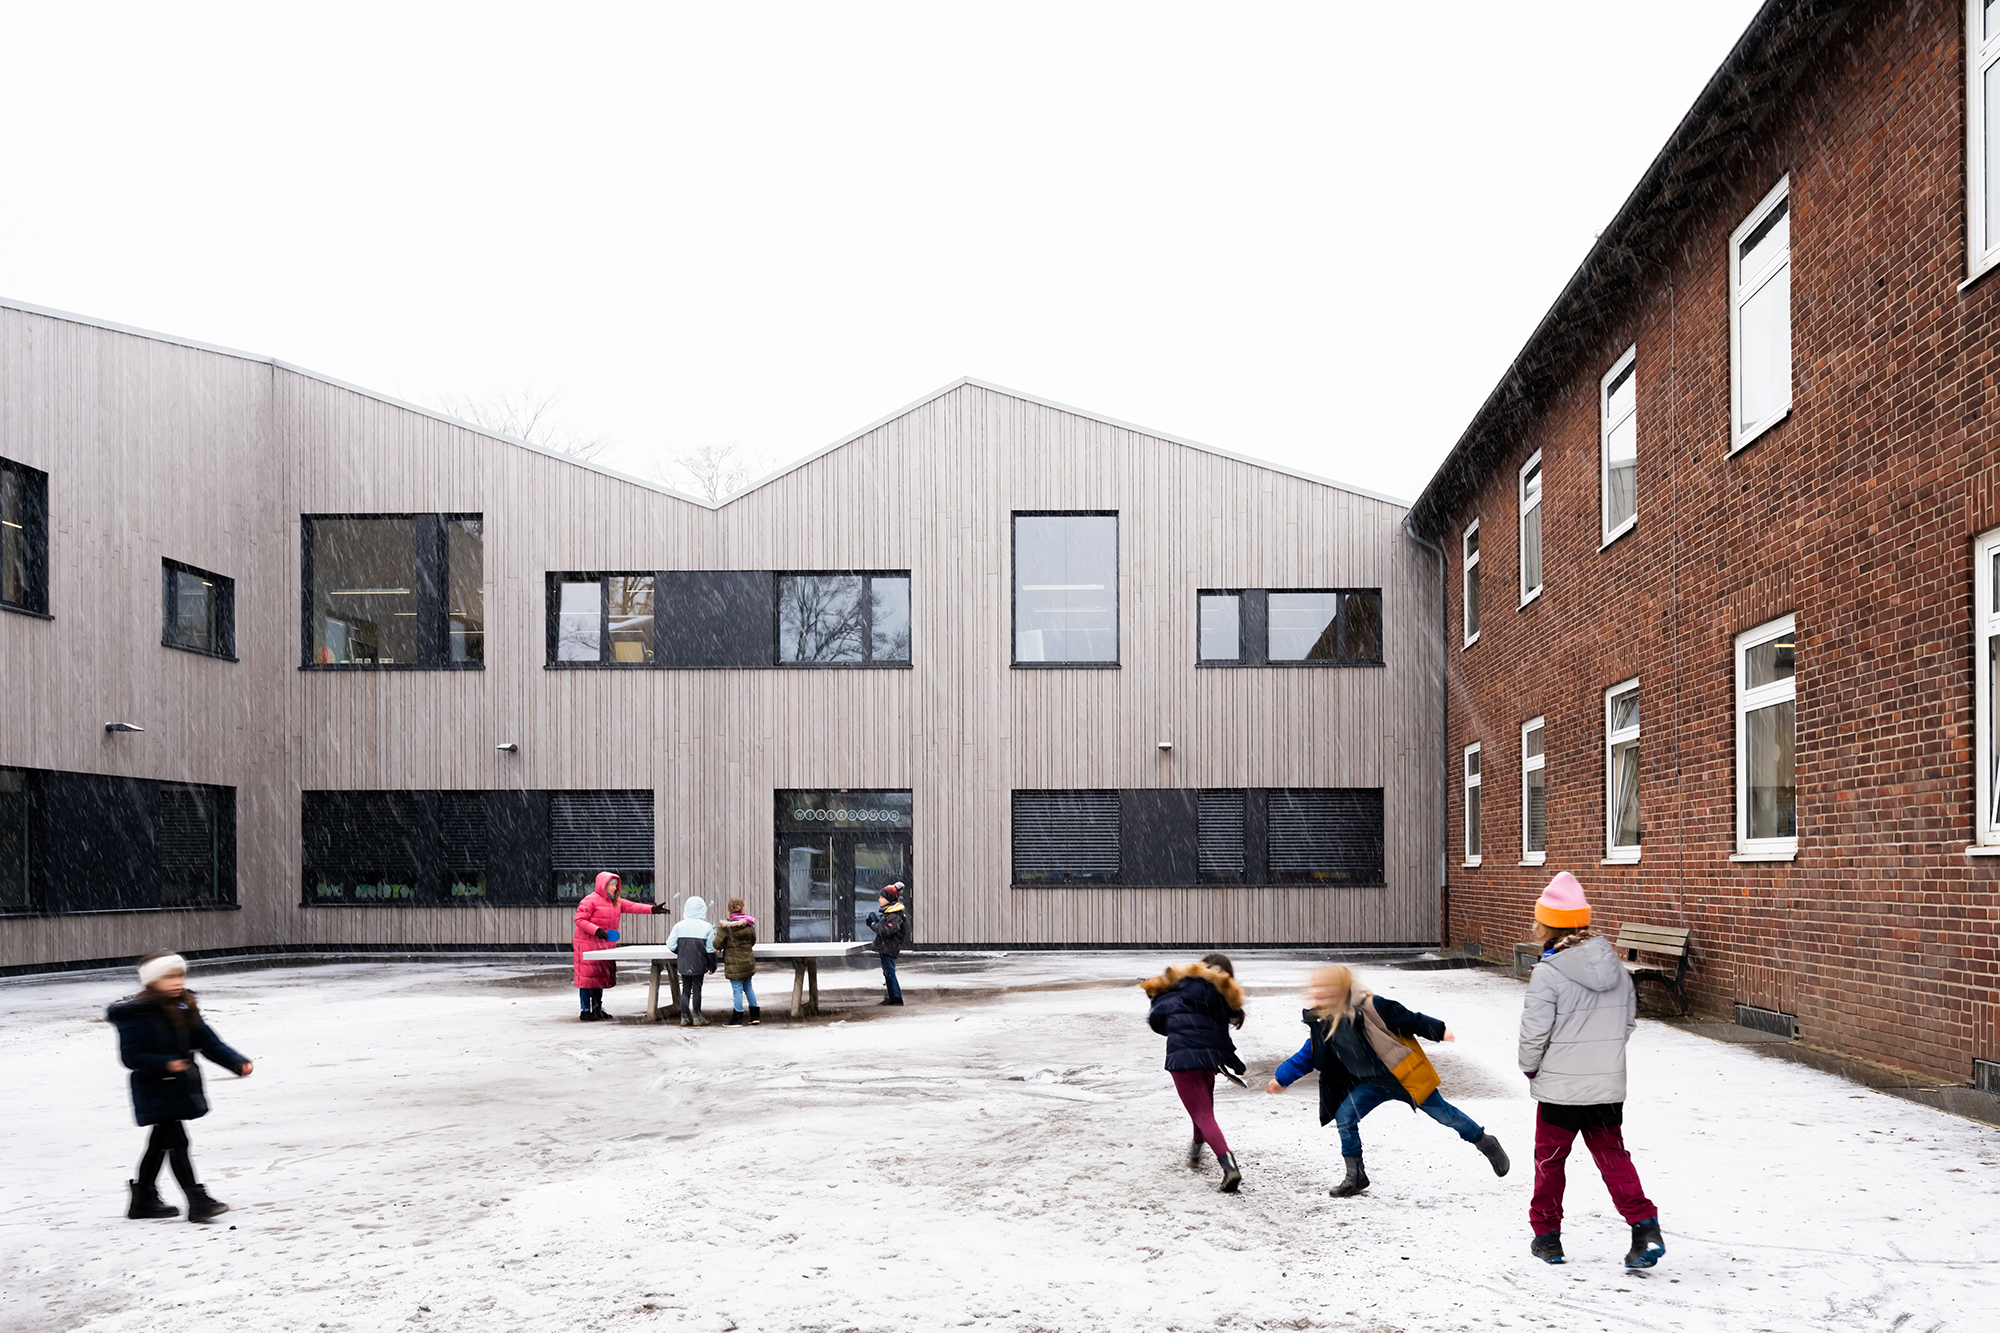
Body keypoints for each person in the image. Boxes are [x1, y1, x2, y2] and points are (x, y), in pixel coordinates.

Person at [1518, 872, 1664, 1269]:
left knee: (1550, 1161)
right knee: (1613, 1156)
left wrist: (1531, 1070)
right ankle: (1644, 1228)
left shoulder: (1548, 973)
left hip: (1560, 1090)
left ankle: (1548, 1238)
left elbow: (1534, 1035)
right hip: (1605, 1087)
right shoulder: (1616, 967)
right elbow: (1628, 1023)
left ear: (1546, 924)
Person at [1267, 964, 1509, 1197]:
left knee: (1446, 1115)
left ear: (1341, 988)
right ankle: (1356, 1175)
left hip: (1404, 1077)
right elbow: (1308, 1055)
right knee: (1345, 1117)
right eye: (1316, 987)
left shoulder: (1371, 1006)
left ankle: (1485, 1142)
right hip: (1372, 1083)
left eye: (1326, 987)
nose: (1319, 992)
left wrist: (1439, 1030)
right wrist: (1282, 1079)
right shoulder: (1322, 1024)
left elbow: (1409, 1019)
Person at [106, 952, 253, 1223]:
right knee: (177, 1142)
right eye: (169, 976)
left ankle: (143, 1200)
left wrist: (236, 1062)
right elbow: (132, 1057)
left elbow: (209, 1043)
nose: (177, 981)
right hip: (155, 1087)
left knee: (161, 1142)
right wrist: (167, 1064)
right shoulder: (136, 1013)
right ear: (152, 981)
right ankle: (197, 1201)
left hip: (181, 1085)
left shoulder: (183, 1007)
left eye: (180, 975)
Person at [1142, 952, 1248, 1193]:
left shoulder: (1178, 989)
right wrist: (1231, 1060)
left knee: (1202, 1113)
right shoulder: (1221, 997)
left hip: (1183, 1061)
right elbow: (1222, 1036)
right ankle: (1196, 1151)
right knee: (1203, 1109)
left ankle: (1229, 1166)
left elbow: (1157, 1021)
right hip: (1208, 1061)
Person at [572, 872, 657, 1022]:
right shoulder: (589, 901)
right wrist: (596, 930)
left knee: (598, 977)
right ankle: (585, 1010)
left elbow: (632, 906)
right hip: (586, 944)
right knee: (587, 978)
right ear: (603, 885)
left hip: (603, 945)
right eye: (611, 885)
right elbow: (579, 919)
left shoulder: (615, 901)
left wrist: (652, 909)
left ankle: (597, 1008)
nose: (615, 887)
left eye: (615, 885)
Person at [666, 895, 719, 1026]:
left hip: (684, 961)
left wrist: (682, 952)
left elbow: (670, 944)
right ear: (703, 910)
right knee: (697, 989)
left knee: (685, 989)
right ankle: (696, 1015)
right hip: (699, 962)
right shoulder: (707, 927)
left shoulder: (679, 926)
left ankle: (684, 1016)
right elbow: (710, 949)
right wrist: (712, 966)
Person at [712, 897, 761, 1026]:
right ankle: (755, 1015)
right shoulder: (749, 924)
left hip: (734, 964)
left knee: (737, 990)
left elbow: (717, 943)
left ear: (729, 910)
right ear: (743, 909)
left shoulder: (725, 927)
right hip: (747, 961)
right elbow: (752, 941)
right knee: (749, 987)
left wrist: (718, 947)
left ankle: (737, 1018)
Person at [865, 882, 907, 1006]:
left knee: (890, 973)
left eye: (882, 897)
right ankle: (893, 997)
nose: (879, 900)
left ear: (889, 899)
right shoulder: (890, 914)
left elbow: (886, 931)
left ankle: (896, 998)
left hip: (889, 948)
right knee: (888, 973)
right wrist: (876, 924)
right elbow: (884, 929)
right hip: (886, 948)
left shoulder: (894, 916)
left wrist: (873, 924)